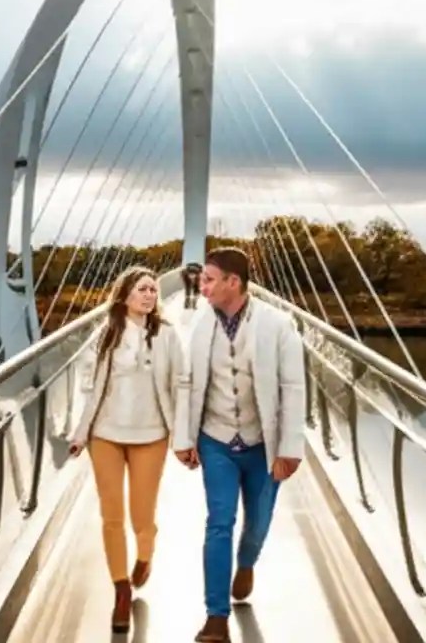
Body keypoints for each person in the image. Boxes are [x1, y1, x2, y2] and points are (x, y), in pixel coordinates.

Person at [171, 247, 307, 643]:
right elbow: (186, 383)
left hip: (264, 441)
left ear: (234, 282)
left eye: (210, 279)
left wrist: (289, 448)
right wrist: (184, 438)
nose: (201, 284)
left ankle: (247, 562)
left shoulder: (279, 325)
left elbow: (293, 388)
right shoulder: (196, 325)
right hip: (215, 439)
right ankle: (216, 616)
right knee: (219, 522)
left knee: (258, 521)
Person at [68, 265, 189, 634]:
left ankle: (145, 556)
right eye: (142, 289)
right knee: (111, 516)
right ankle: (121, 589)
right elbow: (91, 388)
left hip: (151, 434)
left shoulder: (168, 335)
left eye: (153, 289)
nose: (150, 295)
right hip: (105, 434)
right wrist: (80, 432)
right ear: (124, 296)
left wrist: (182, 437)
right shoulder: (105, 335)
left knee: (142, 515)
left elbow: (181, 385)